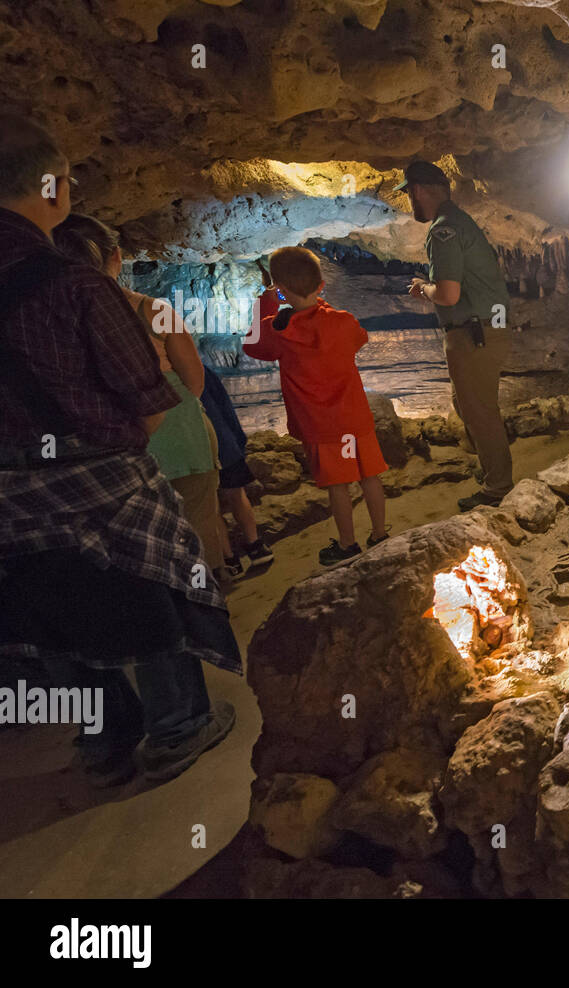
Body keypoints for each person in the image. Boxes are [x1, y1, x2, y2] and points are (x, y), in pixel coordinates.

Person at [0, 113, 238, 787]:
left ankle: (101, 738)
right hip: (97, 476)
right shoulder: (74, 285)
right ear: (53, 189)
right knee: (146, 588)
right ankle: (178, 724)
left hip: (7, 489)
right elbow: (150, 396)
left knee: (51, 606)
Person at [53, 214, 226, 576]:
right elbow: (194, 382)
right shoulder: (155, 312)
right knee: (197, 530)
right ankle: (206, 612)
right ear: (116, 257)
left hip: (113, 450)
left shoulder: (55, 322)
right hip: (181, 437)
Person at [243, 248, 388, 567]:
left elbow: (252, 344)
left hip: (321, 425)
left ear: (281, 288)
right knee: (369, 476)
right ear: (322, 285)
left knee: (339, 486)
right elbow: (359, 337)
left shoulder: (278, 330)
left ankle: (348, 545)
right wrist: (320, 309)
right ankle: (379, 535)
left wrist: (269, 299)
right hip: (355, 420)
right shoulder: (343, 321)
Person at [397, 159, 514, 510]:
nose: (409, 202)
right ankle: (493, 471)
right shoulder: (460, 223)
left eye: (409, 195)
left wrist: (423, 289)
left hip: (473, 332)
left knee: (479, 411)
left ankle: (499, 489)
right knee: (468, 406)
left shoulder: (443, 230)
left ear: (418, 191)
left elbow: (448, 294)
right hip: (485, 329)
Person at [200, 364, 274, 577]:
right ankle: (255, 546)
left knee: (210, 504)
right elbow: (224, 404)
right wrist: (237, 438)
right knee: (236, 492)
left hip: (194, 450)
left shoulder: (152, 373)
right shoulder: (199, 368)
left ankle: (229, 559)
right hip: (222, 441)